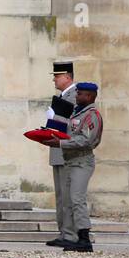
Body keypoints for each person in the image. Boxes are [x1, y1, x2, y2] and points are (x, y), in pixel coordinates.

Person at [44, 81, 103, 252]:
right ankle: (71, 236)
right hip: (70, 160)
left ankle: (84, 239)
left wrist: (60, 143)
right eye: (77, 93)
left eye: (80, 94)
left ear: (90, 96)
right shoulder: (77, 113)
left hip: (81, 162)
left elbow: (87, 140)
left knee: (77, 199)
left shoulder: (92, 115)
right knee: (69, 200)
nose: (76, 96)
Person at [45, 61, 79, 248]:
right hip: (58, 149)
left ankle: (70, 234)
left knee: (68, 196)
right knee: (60, 195)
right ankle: (64, 231)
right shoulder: (64, 96)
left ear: (67, 77)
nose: (54, 80)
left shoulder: (75, 96)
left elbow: (72, 123)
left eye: (57, 76)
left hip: (66, 149)